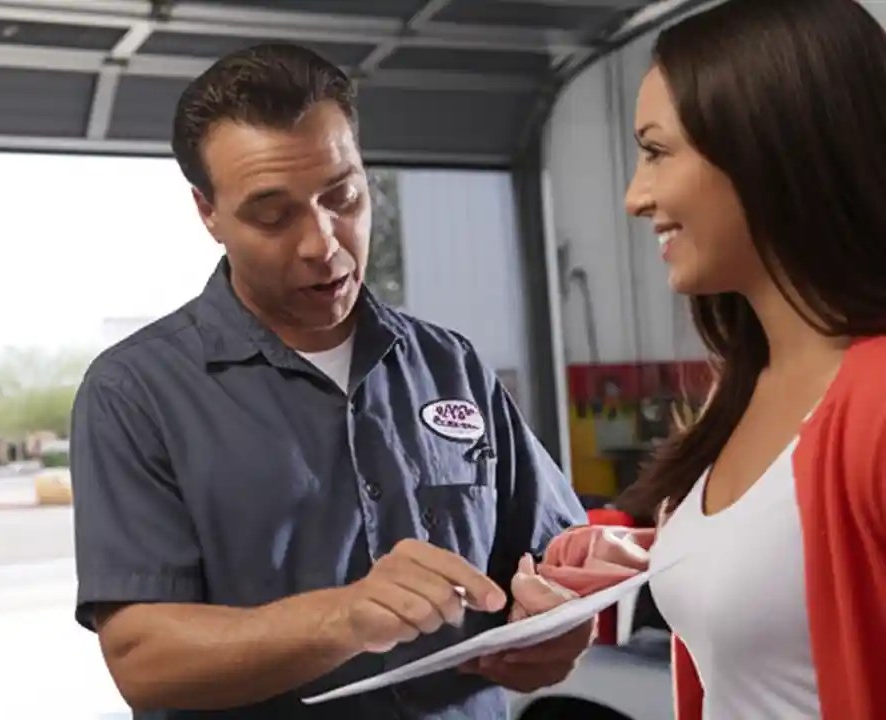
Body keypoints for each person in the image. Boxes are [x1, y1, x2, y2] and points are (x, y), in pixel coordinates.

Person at [70, 43, 589, 719]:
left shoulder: (450, 365)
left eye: (342, 195)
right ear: (208, 213)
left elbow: (551, 564)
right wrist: (343, 618)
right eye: (272, 214)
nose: (323, 242)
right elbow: (145, 660)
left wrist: (555, 629)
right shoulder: (135, 393)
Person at [619, 1, 886, 718]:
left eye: (655, 151)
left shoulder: (877, 404)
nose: (634, 197)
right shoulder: (741, 391)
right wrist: (642, 550)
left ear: (767, 147)